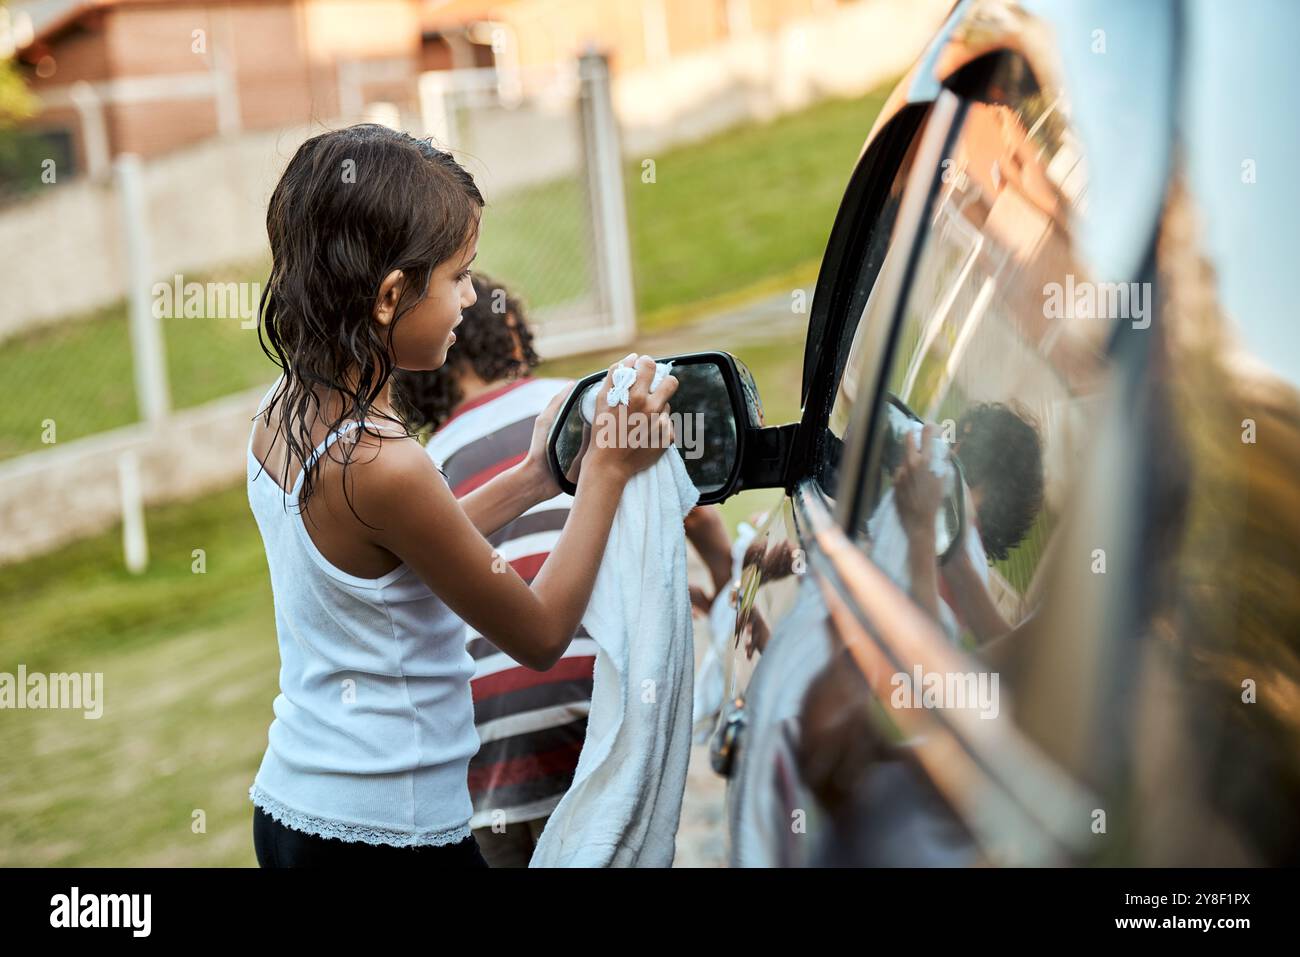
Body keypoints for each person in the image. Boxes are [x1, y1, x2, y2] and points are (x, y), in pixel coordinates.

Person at [244, 124, 677, 868]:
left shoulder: (280, 415)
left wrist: (537, 478)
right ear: (389, 297)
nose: (472, 296)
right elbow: (540, 633)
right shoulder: (386, 465)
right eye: (459, 276)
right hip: (390, 830)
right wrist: (605, 472)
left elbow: (406, 558)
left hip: (294, 807)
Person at [393, 274, 733, 865]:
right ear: (516, 343)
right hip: (585, 716)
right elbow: (695, 516)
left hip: (480, 762)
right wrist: (728, 580)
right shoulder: (573, 413)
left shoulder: (423, 469)